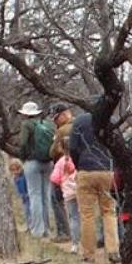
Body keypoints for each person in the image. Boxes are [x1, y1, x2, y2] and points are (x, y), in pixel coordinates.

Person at [67, 111, 121, 263]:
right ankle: (113, 251)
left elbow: (72, 147)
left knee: (87, 215)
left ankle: (89, 254)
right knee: (109, 212)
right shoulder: (111, 119)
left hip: (86, 169)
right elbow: (118, 145)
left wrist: (79, 165)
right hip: (107, 169)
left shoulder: (79, 121)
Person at [16, 101, 55, 238]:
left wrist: (22, 158)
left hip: (32, 162)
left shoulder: (26, 125)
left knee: (35, 195)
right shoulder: (47, 124)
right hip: (48, 162)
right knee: (46, 195)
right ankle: (47, 229)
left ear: (25, 114)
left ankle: (37, 230)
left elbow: (23, 143)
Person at [48, 104, 74, 242]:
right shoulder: (79, 125)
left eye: (56, 118)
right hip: (79, 167)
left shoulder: (62, 130)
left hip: (64, 168)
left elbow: (52, 151)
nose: (55, 121)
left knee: (56, 199)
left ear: (64, 115)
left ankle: (64, 232)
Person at [50, 140, 80, 255]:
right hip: (81, 189)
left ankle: (75, 244)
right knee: (86, 215)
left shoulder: (61, 162)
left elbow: (55, 179)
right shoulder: (80, 159)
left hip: (68, 192)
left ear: (62, 149)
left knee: (73, 217)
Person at [9, 158, 30, 226]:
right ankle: (28, 225)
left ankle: (31, 225)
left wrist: (27, 194)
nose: (15, 172)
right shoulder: (15, 178)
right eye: (13, 170)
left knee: (29, 210)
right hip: (23, 197)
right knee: (26, 211)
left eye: (17, 169)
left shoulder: (24, 176)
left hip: (28, 196)